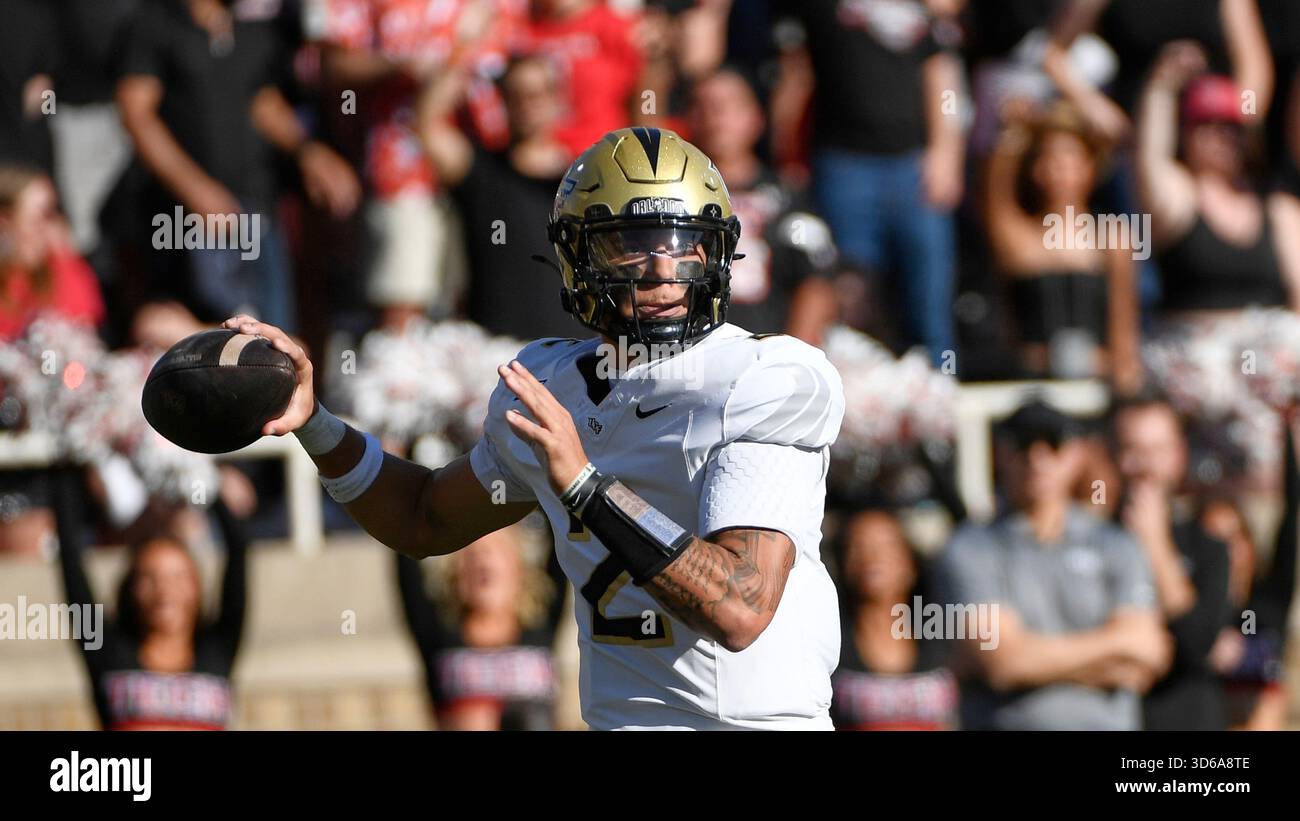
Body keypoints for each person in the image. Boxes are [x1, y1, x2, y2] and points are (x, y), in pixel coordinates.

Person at [225, 126, 847, 730]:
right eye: (631, 243)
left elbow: (739, 607)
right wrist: (316, 424)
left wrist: (585, 486)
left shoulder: (766, 378)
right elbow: (422, 517)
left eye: (685, 243)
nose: (662, 270)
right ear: (578, 255)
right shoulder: (552, 383)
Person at [116, 0, 359, 331]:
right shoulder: (156, 24)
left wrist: (310, 153)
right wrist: (196, 190)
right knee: (209, 347)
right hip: (181, 223)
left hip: (258, 212)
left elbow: (262, 102)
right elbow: (136, 113)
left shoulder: (252, 30)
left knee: (272, 340)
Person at [939, 401, 1171, 730]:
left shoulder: (1114, 543)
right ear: (1001, 454)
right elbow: (1004, 663)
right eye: (1023, 445)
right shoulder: (970, 547)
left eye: (1053, 443)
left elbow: (1146, 656)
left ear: (1077, 454)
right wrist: (1115, 646)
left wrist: (1032, 657)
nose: (1038, 458)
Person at [1137, 41, 1300, 491]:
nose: (1220, 137)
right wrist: (1161, 91)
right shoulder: (1179, 198)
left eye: (1229, 127)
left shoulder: (1277, 207)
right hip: (1193, 353)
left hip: (1260, 352)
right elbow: (1147, 166)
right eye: (1205, 126)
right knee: (1213, 383)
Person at [789, 0, 965, 363]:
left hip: (914, 164)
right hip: (844, 165)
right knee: (851, 295)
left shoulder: (924, 9)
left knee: (929, 292)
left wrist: (947, 151)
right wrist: (789, 154)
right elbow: (796, 74)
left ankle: (940, 387)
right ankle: (852, 397)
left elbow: (943, 77)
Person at [52, 466, 249, 730]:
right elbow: (71, 566)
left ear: (196, 587)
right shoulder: (108, 652)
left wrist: (203, 481)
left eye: (178, 577)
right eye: (149, 578)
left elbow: (238, 553)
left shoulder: (217, 648)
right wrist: (72, 465)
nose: (165, 592)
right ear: (130, 589)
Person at [418, 53, 575, 341]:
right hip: (495, 355)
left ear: (557, 98)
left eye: (536, 94)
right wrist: (466, 50)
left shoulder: (584, 179)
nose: (528, 105)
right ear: (502, 101)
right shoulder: (481, 171)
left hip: (573, 353)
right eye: (516, 95)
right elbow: (428, 125)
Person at [984, 100, 1139, 387]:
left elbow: (1124, 330)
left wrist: (1122, 379)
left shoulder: (1112, 236)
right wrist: (1011, 136)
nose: (1058, 168)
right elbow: (996, 200)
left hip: (1097, 386)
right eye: (1047, 158)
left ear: (1090, 167)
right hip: (1032, 388)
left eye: (1069, 156)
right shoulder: (1021, 237)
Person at [685, 67, 838, 341]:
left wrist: (788, 360)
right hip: (691, 355)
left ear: (755, 117)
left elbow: (817, 282)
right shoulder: (674, 198)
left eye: (727, 105)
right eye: (703, 105)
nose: (714, 116)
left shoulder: (786, 197)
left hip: (764, 351)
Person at [1111, 392, 1231, 730]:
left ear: (1178, 455)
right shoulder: (1092, 540)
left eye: (1157, 450)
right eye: (1133, 450)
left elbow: (1198, 641)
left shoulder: (1209, 545)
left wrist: (1155, 544)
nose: (1146, 465)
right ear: (1113, 453)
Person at [396, 522, 567, 730]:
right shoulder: (438, 635)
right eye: (472, 556)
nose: (483, 561)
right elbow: (406, 563)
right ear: (458, 576)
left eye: (495, 551)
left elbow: (562, 542)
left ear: (518, 568)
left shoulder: (542, 625)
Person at [1202, 416, 1298, 730]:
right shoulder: (1194, 611)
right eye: (1214, 542)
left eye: (1233, 539)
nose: (1226, 553)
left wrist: (1288, 433)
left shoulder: (1268, 600)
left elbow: (1290, 518)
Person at [831, 507, 958, 730]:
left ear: (910, 563)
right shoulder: (827, 642)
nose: (872, 557)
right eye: (858, 547)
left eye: (886, 546)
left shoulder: (944, 635)